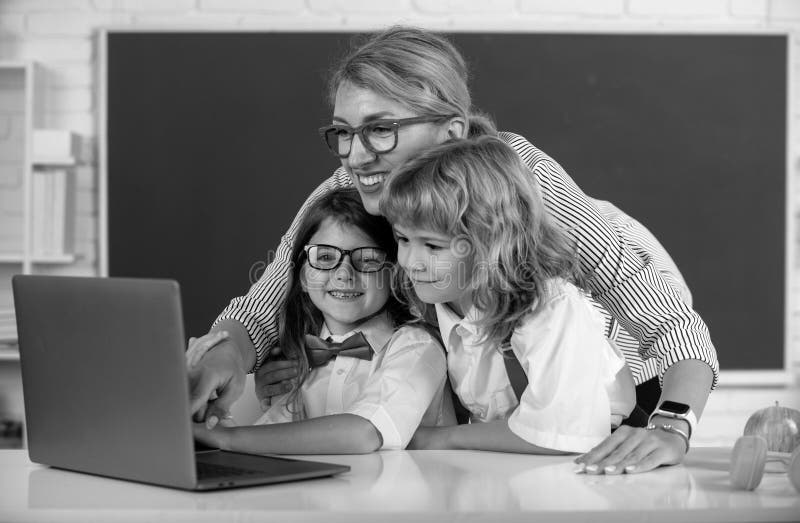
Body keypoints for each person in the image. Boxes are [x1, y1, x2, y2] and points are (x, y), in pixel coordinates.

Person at [189, 26, 718, 473]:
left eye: (381, 130)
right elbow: (270, 295)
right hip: (479, 419)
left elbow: (664, 317)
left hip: (600, 413)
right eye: (343, 132)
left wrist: (673, 422)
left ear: (453, 130)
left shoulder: (517, 183)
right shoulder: (345, 189)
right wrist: (227, 357)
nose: (356, 154)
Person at [381, 135, 637, 454]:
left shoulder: (549, 307)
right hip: (498, 466)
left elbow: (558, 435)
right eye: (403, 239)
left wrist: (437, 439)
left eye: (433, 246)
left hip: (585, 470)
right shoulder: (435, 305)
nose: (410, 262)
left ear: (493, 240)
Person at [191, 188, 453, 454]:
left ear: (394, 273)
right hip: (321, 493)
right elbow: (272, 436)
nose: (343, 274)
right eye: (325, 257)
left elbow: (365, 432)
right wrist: (211, 423)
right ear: (303, 277)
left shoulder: (417, 348)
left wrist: (229, 438)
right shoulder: (299, 356)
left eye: (367, 260)